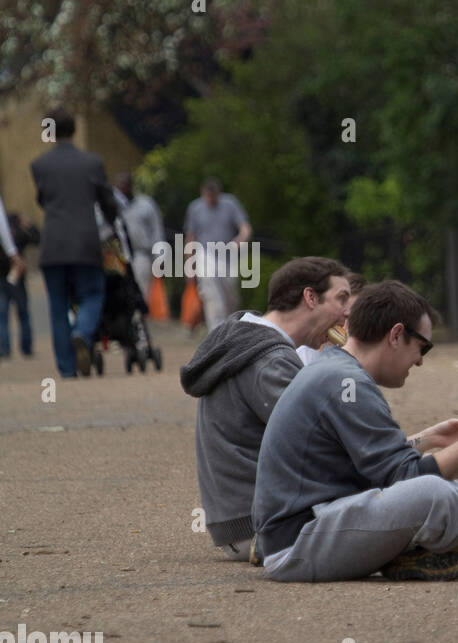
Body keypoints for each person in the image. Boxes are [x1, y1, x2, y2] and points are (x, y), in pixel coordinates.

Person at [253, 280, 458, 582]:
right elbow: (410, 478)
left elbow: (385, 470)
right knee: (440, 494)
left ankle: (416, 552)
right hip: (298, 544)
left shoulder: (336, 370)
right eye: (423, 346)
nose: (421, 360)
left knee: (434, 491)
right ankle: (430, 549)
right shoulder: (348, 383)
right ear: (396, 335)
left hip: (300, 532)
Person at [180, 257, 354, 562]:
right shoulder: (270, 360)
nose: (347, 312)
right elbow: (327, 446)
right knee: (404, 508)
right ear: (310, 297)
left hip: (240, 521)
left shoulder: (248, 340)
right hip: (264, 526)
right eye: (341, 298)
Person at [29, 108, 120, 377]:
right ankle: (82, 330)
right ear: (75, 130)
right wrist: (113, 222)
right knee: (92, 293)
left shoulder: (39, 165)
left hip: (53, 245)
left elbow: (44, 200)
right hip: (84, 243)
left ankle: (67, 370)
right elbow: (107, 202)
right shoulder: (92, 163)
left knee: (57, 306)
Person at [183, 177, 252, 329]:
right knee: (213, 299)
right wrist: (189, 265)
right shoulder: (195, 208)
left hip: (227, 256)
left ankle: (231, 329)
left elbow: (245, 227)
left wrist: (240, 239)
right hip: (205, 255)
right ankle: (216, 334)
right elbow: (191, 237)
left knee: (230, 298)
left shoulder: (230, 204)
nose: (211, 199)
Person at [113, 173, 167, 303]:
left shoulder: (146, 205)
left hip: (140, 255)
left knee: (141, 293)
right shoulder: (110, 205)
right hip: (116, 257)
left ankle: (139, 320)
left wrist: (160, 257)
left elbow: (157, 232)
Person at [296, 271, 366, 366]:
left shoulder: (369, 360)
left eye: (352, 316)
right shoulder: (301, 356)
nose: (344, 321)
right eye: (340, 310)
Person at [1, 193, 39, 360]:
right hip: (13, 272)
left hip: (8, 274)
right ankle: (26, 347)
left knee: (3, 313)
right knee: (22, 311)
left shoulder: (13, 229)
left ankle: (5, 348)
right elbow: (36, 237)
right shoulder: (15, 230)